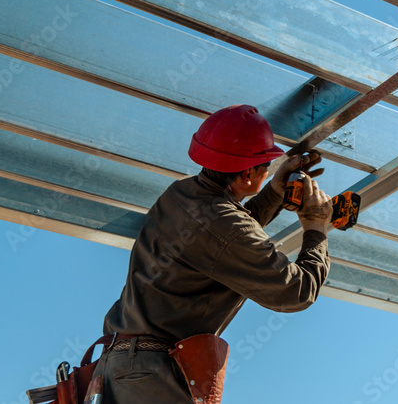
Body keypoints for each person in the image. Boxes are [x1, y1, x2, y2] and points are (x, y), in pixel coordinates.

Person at [97, 104, 333, 403]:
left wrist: (274, 190)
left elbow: (223, 242)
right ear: (247, 173)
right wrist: (316, 228)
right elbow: (296, 292)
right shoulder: (226, 226)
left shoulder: (180, 193)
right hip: (151, 376)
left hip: (117, 368)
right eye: (265, 167)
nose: (267, 170)